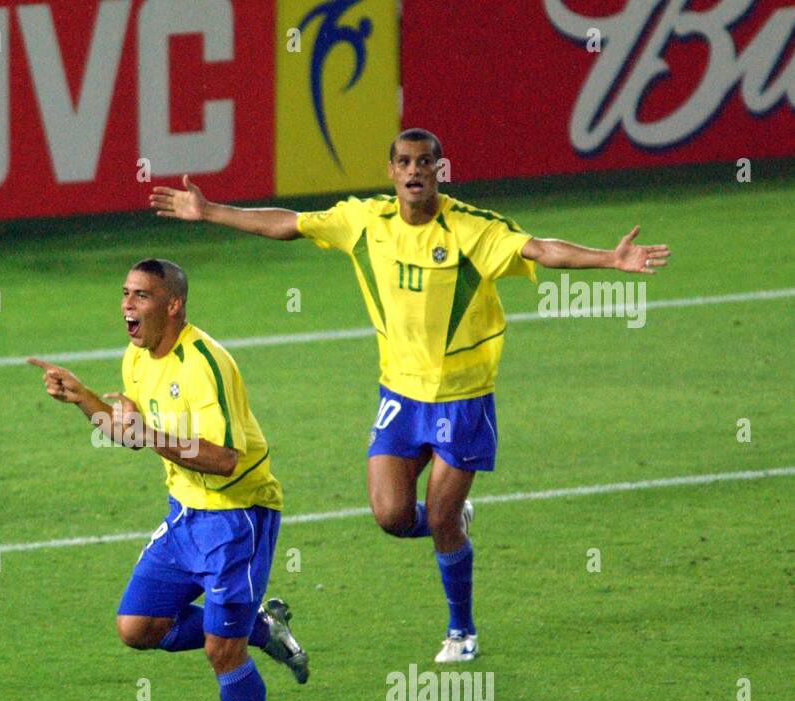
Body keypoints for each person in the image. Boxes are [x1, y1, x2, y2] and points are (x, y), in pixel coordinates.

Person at [149, 128, 670, 663]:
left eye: (425, 162)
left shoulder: (470, 228)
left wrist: (610, 260)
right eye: (404, 162)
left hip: (463, 398)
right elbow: (290, 224)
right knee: (392, 516)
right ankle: (451, 525)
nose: (415, 170)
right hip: (400, 395)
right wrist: (210, 211)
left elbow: (539, 248)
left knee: (441, 517)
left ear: (439, 170)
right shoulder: (365, 221)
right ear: (392, 171)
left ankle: (461, 630)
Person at [28, 258, 308, 701]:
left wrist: (150, 434)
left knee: (219, 652)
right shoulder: (136, 358)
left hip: (237, 519)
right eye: (126, 294)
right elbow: (129, 431)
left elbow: (225, 459)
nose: (128, 306)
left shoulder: (206, 363)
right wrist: (84, 399)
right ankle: (261, 629)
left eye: (142, 296)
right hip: (185, 515)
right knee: (137, 627)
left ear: (173, 305)